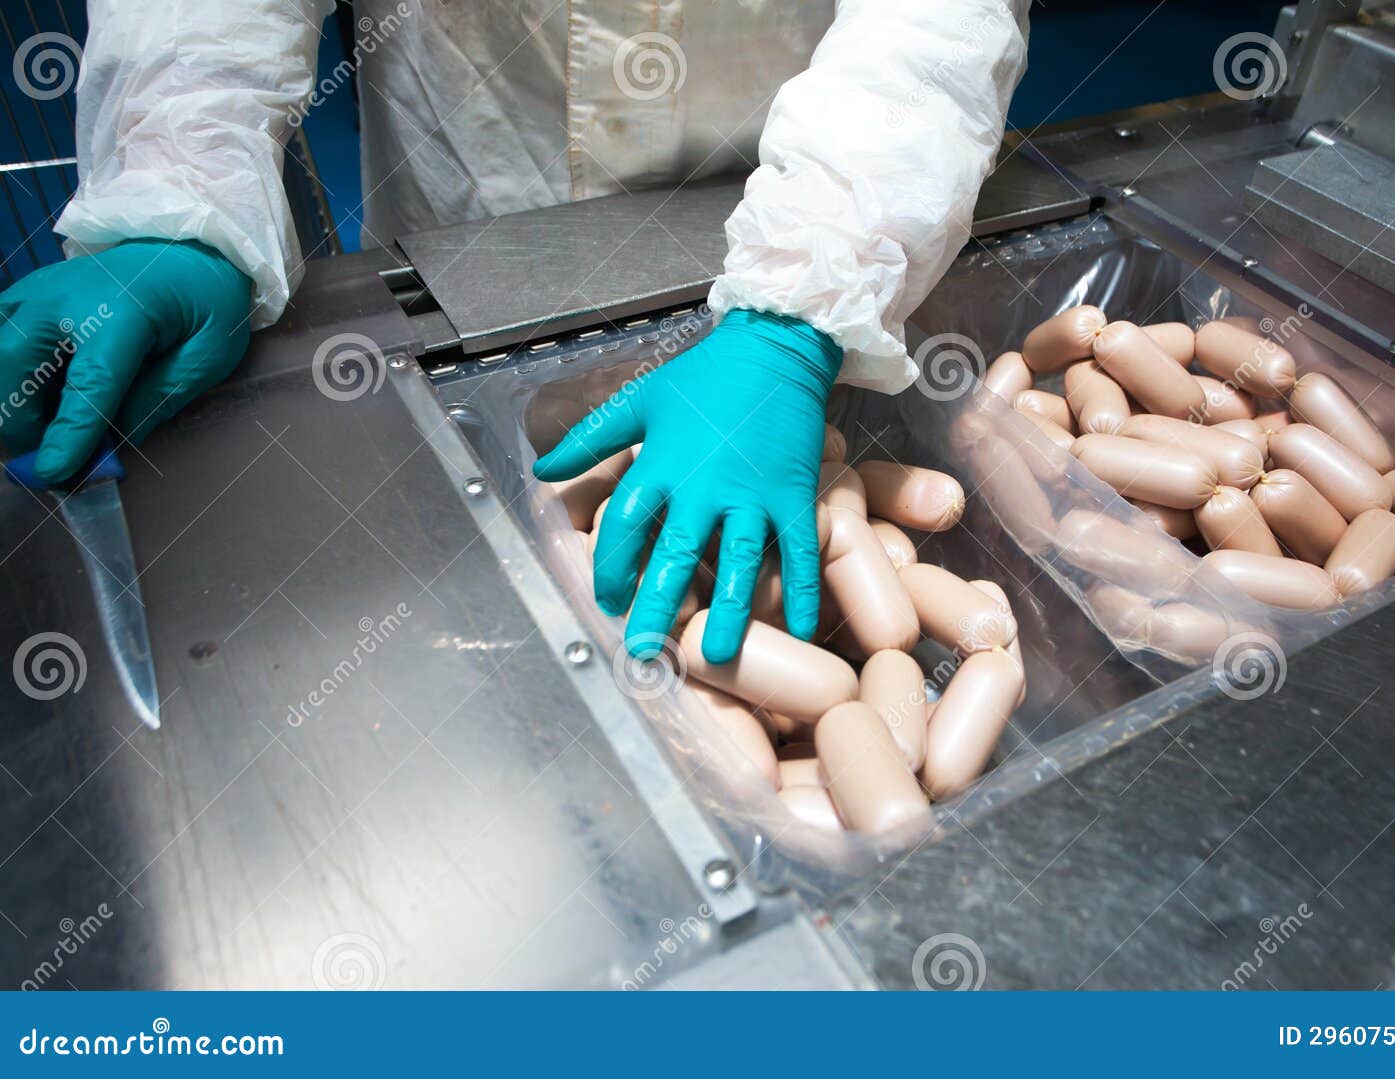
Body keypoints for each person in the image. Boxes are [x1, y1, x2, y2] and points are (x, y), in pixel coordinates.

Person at [0, 1, 1029, 661]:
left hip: (803, 180)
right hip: (476, 209)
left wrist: (802, 305)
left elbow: (935, 21)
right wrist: (180, 191)